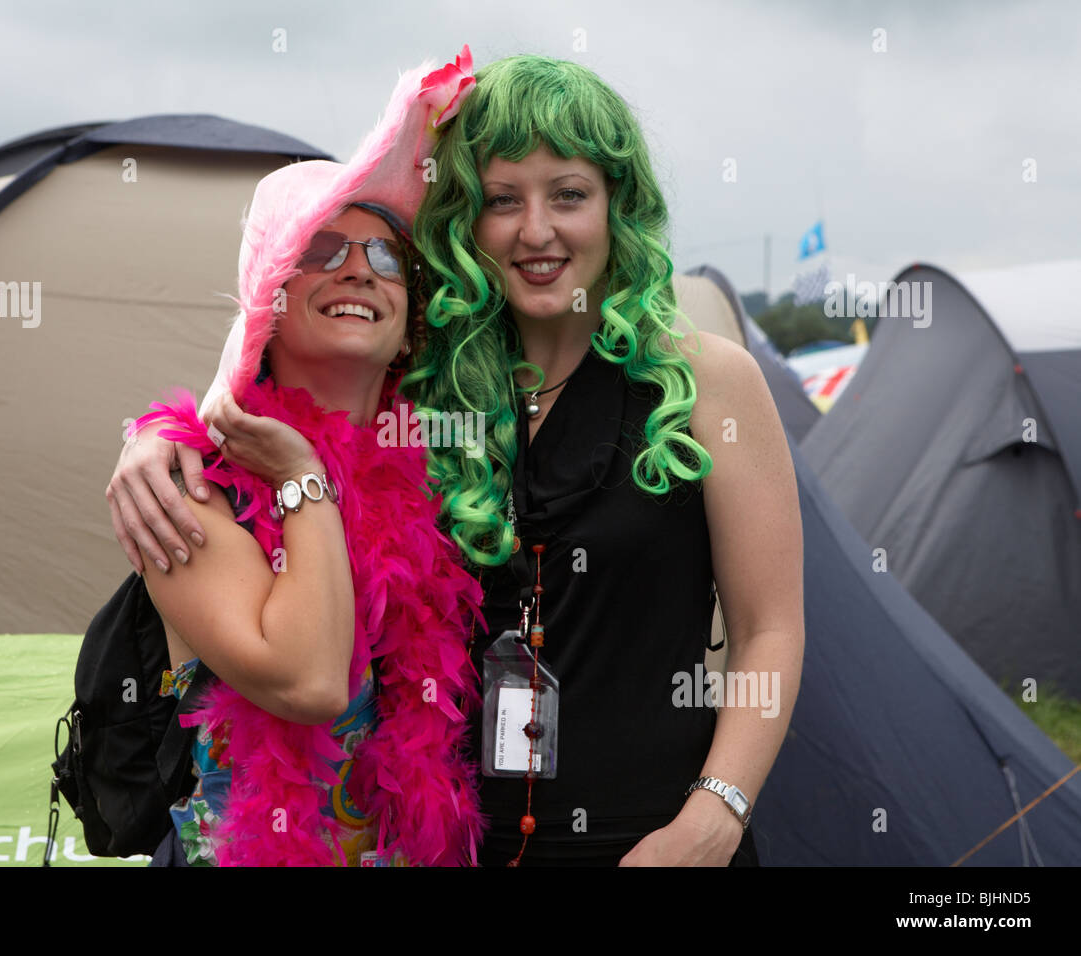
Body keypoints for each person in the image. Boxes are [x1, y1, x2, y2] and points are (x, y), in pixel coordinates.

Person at [114, 53, 804, 868]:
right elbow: (291, 371)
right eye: (503, 200)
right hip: (462, 848)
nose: (536, 230)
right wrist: (160, 440)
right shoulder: (432, 384)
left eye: (570, 195)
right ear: (466, 220)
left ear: (620, 207)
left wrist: (714, 817)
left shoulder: (706, 381)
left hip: (656, 846)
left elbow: (770, 629)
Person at [112, 49, 484, 867]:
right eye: (322, 250)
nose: (360, 268)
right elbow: (311, 685)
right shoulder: (192, 487)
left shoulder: (447, 476)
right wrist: (299, 479)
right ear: (267, 307)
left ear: (411, 319)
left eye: (389, 256)